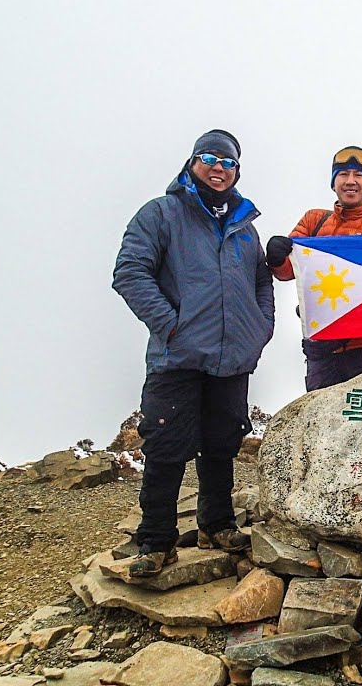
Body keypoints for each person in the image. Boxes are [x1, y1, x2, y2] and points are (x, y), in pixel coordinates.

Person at [112, 128, 274, 576]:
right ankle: (156, 540)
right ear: (192, 162)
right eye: (211, 157)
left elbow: (261, 280)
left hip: (232, 359)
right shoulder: (161, 214)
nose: (219, 167)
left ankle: (216, 524)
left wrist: (261, 327)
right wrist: (171, 326)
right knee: (165, 446)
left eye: (229, 162)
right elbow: (129, 272)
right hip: (176, 358)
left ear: (237, 171)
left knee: (221, 444)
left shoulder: (244, 226)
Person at [264, 146, 362, 391]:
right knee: (319, 423)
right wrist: (276, 255)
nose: (350, 181)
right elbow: (285, 272)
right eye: (343, 174)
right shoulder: (313, 220)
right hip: (321, 347)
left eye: (359, 175)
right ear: (334, 182)